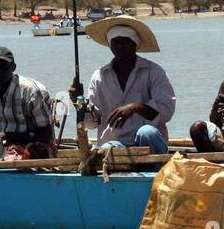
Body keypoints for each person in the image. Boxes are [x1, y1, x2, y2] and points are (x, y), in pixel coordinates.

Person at [71, 17, 175, 154]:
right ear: (110, 45)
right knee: (107, 149)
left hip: (149, 144)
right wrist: (79, 102)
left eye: (125, 42)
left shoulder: (153, 72)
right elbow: (92, 124)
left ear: (135, 44)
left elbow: (166, 111)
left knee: (147, 132)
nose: (120, 46)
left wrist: (135, 107)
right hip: (115, 142)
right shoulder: (99, 77)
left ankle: (154, 169)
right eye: (116, 42)